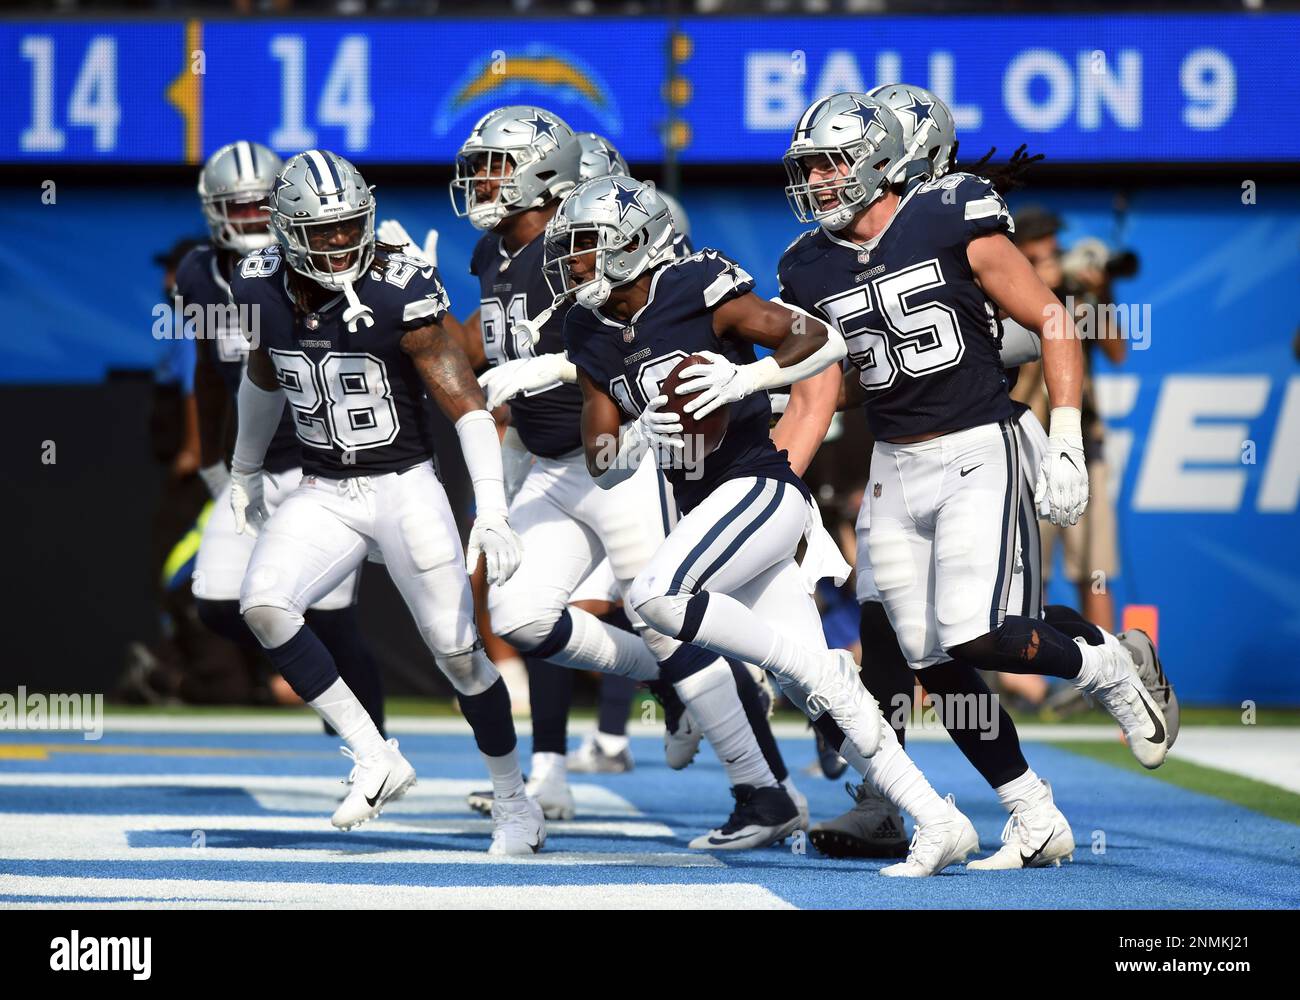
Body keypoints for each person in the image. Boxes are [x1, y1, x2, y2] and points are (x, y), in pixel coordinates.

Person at [777, 89, 1172, 870]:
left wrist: (1061, 434)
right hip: (894, 458)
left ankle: (1107, 667)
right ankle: (1030, 813)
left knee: (973, 630)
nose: (818, 180)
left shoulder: (952, 212)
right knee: (921, 647)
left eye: (832, 162)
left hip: (975, 445)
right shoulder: (806, 264)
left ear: (884, 163)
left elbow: (1055, 321)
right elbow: (843, 383)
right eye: (810, 165)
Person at [552, 173, 982, 876]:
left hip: (759, 489)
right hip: (709, 508)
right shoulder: (587, 327)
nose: (575, 262)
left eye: (588, 246)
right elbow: (601, 459)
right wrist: (633, 438)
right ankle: (938, 819)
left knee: (655, 598)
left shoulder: (694, 285)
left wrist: (744, 381)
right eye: (570, 249)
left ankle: (794, 674)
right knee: (818, 689)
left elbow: (823, 344)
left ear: (636, 244)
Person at [432, 106, 803, 847]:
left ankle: (766, 791)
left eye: (497, 166)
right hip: (549, 460)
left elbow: (633, 336)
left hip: (624, 458)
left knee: (669, 618)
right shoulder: (493, 253)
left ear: (542, 172)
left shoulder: (576, 246)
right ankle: (673, 684)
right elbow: (485, 357)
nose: (480, 180)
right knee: (521, 614)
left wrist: (555, 366)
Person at [227, 149, 540, 855]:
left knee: (459, 654)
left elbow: (466, 406)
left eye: (349, 227)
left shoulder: (400, 288)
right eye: (323, 230)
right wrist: (245, 470)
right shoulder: (258, 287)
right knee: (265, 604)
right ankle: (374, 755)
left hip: (404, 488)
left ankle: (515, 802)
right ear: (284, 230)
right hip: (323, 489)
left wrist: (489, 507)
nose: (339, 242)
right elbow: (262, 375)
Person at [176, 140, 385, 733]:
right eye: (236, 209)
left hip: (325, 464)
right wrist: (223, 467)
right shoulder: (197, 274)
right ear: (214, 211)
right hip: (255, 466)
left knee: (335, 620)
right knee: (218, 603)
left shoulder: (309, 270)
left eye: (259, 208)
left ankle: (373, 743)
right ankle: (316, 673)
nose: (249, 221)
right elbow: (208, 371)